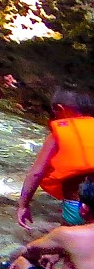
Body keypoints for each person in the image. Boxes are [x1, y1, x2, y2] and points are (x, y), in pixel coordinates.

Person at [18, 89, 94, 228]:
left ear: (60, 109)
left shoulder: (57, 135)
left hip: (78, 207)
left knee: (68, 244)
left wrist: (23, 206)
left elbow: (36, 173)